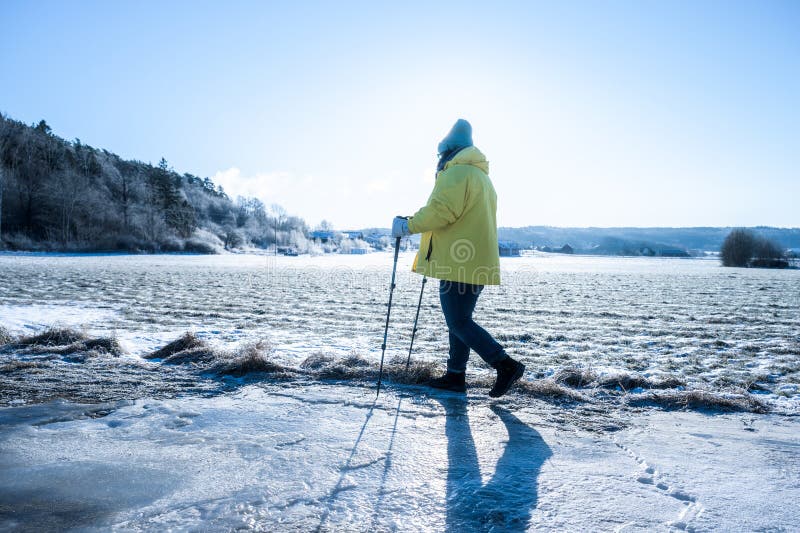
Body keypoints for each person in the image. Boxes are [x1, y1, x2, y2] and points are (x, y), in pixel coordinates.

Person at [392, 119, 524, 397]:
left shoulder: (456, 174)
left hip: (457, 262)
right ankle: (455, 376)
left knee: (458, 322)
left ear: (448, 152)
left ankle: (505, 365)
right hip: (475, 260)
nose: (439, 161)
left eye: (441, 155)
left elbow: (441, 212)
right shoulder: (482, 178)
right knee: (460, 320)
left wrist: (407, 226)